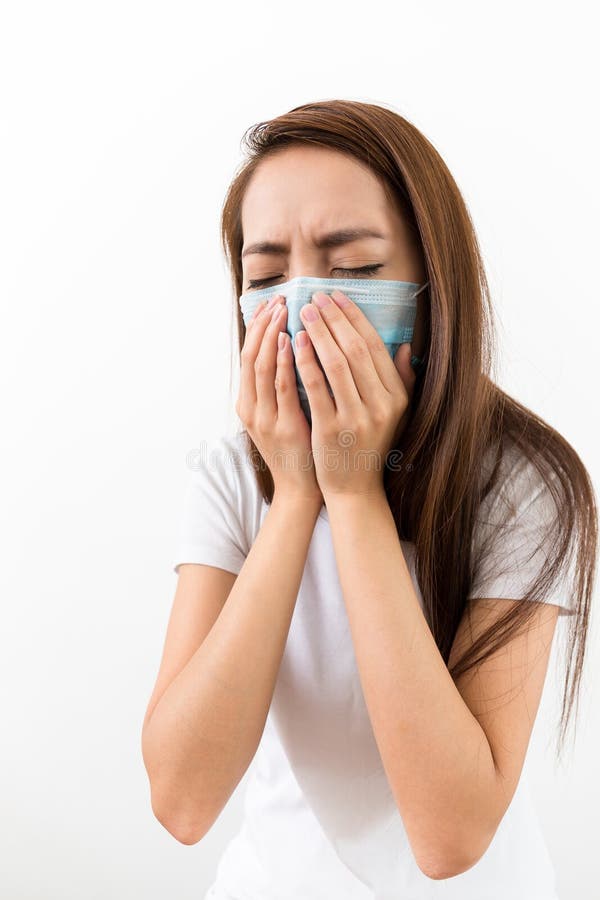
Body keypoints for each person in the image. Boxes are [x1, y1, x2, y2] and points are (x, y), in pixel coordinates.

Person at [141, 99, 597, 899]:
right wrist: (295, 499)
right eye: (267, 275)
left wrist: (354, 500)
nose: (307, 301)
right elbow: (182, 800)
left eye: (352, 268)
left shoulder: (522, 485)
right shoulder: (225, 476)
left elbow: (450, 836)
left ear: (430, 283)